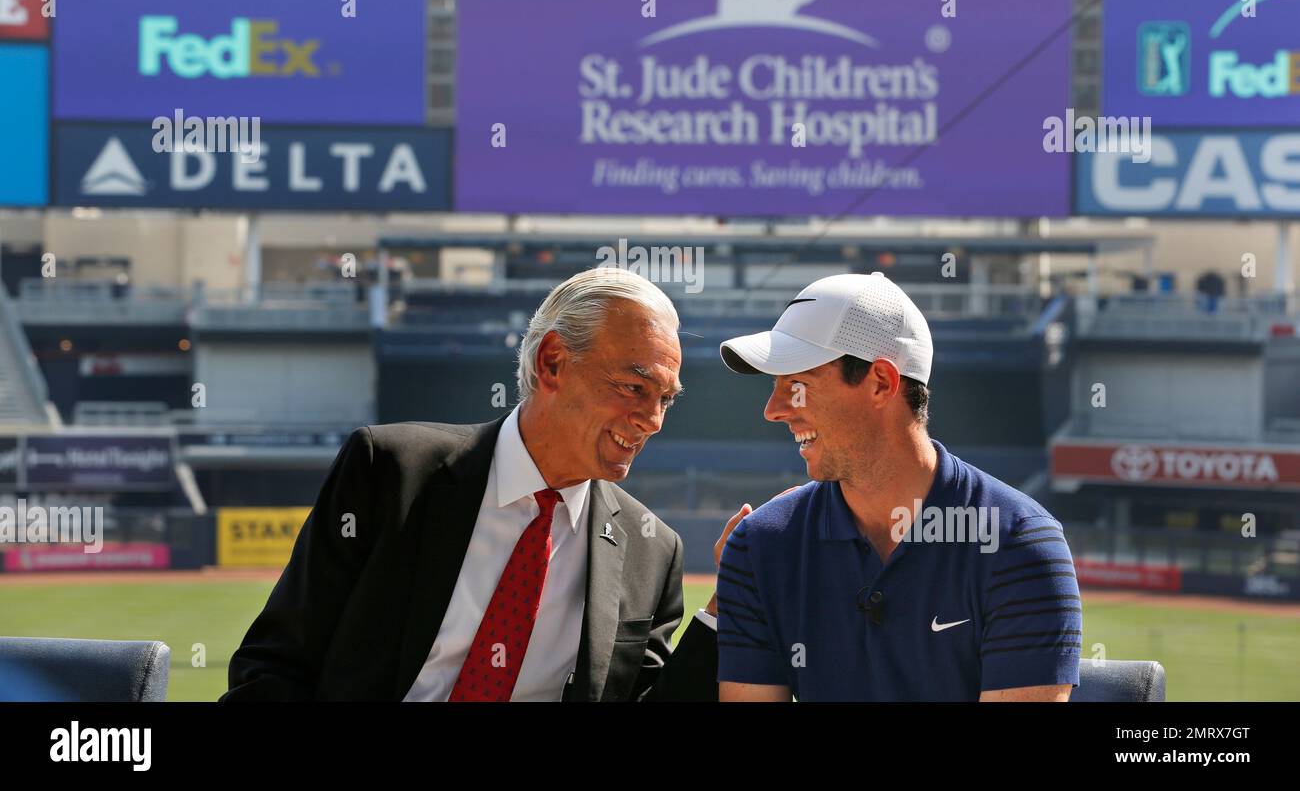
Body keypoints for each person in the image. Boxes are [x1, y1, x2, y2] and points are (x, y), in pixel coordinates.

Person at [222, 267, 740, 701]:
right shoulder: (389, 471)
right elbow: (273, 667)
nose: (653, 420)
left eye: (665, 399)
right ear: (553, 362)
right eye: (633, 387)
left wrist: (725, 611)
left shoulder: (652, 550)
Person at [714, 272, 1082, 701]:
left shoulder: (1022, 544)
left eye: (797, 385)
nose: (773, 410)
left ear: (882, 383)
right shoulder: (758, 546)